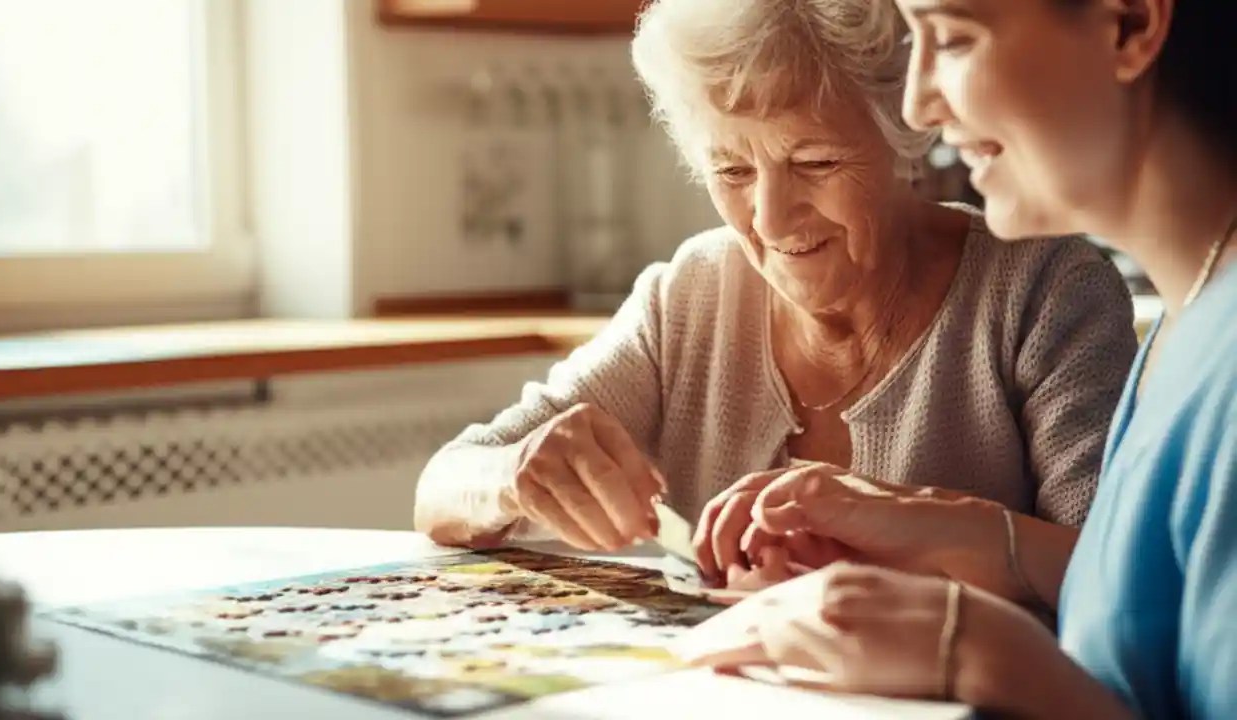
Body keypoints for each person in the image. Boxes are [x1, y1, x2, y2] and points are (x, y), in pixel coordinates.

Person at [411, 0, 1137, 573]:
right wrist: (512, 474)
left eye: (815, 162)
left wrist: (911, 524)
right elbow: (441, 489)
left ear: (902, 135)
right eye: (731, 171)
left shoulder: (1043, 290)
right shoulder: (692, 294)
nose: (769, 217)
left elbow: (1114, 583)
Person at [680, 1, 1237, 718]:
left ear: (1129, 24)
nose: (916, 104)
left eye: (953, 37)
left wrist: (980, 652)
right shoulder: (1190, 318)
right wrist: (948, 528)